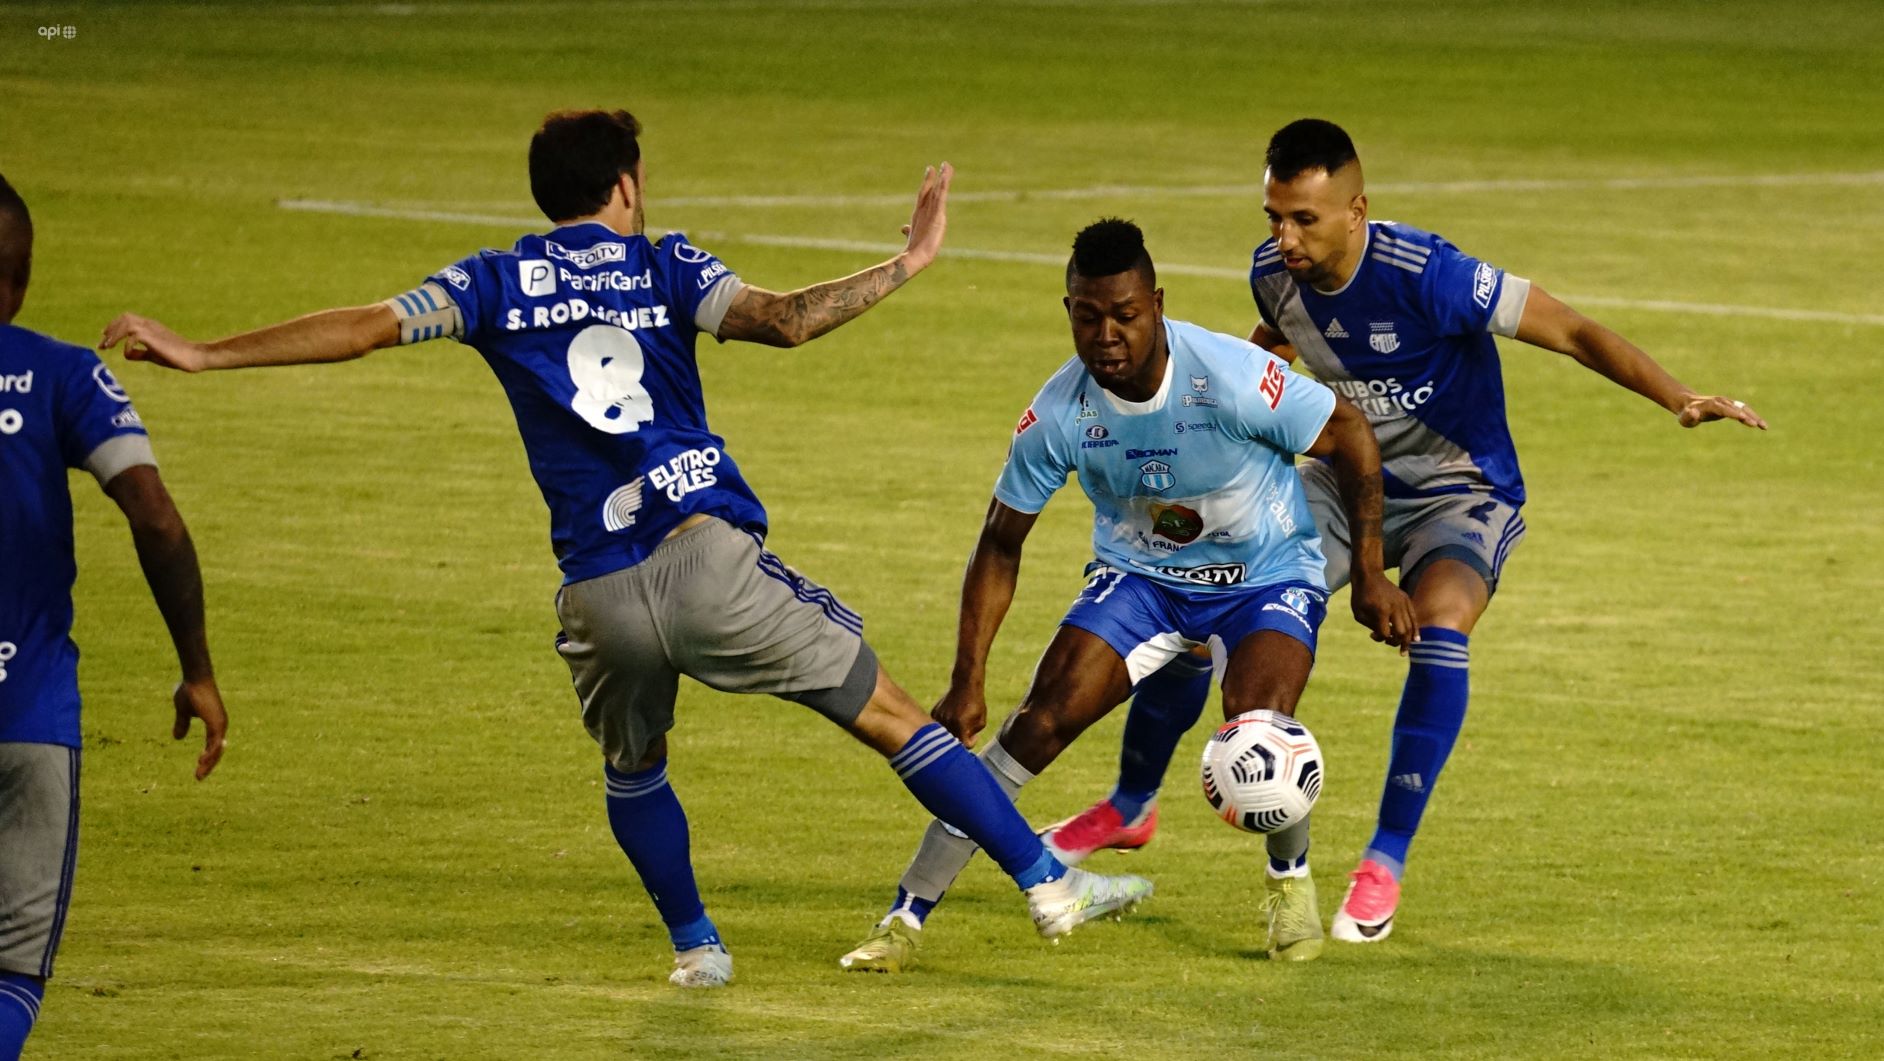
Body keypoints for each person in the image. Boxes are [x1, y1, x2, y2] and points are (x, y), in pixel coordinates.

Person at [99, 109, 1154, 990]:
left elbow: (365, 325)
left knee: (634, 764)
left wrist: (199, 352)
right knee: (893, 718)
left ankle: (698, 949)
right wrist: (909, 260)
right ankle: (1047, 883)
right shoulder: (664, 263)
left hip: (597, 590)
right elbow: (784, 320)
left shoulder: (490, 282)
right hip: (706, 558)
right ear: (626, 183)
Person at [1042, 118, 1767, 945]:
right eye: (1274, 216)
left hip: (1462, 491)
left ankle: (1384, 858)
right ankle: (1130, 807)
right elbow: (1263, 362)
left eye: (1304, 219)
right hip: (1347, 482)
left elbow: (1569, 328)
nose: (1285, 237)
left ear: (1357, 210)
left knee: (1441, 630)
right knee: (1208, 603)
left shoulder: (1431, 275)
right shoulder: (1273, 277)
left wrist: (1677, 395)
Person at [837, 218, 1416, 973]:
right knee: (1032, 727)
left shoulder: (1228, 375)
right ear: (1068, 310)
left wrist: (1369, 574)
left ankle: (1290, 884)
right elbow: (999, 542)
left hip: (1266, 575)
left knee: (1261, 725)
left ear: (1157, 305)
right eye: (1088, 315)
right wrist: (967, 677)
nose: (1106, 334)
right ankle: (904, 918)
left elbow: (1347, 432)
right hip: (1142, 584)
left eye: (1125, 315)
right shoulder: (1058, 413)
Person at [0, 173, 228, 1060]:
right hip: (28, 716)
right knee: (13, 972)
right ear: (20, 277)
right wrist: (198, 667)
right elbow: (155, 516)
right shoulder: (61, 375)